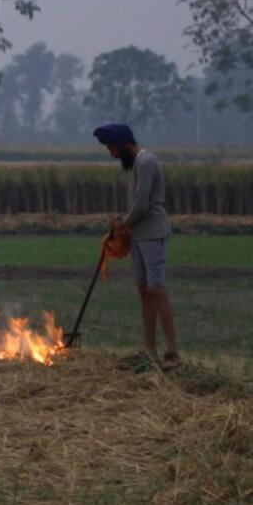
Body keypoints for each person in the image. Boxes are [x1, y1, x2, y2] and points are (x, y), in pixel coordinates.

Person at [93, 123, 180, 370]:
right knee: (144, 291)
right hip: (138, 235)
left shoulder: (146, 162)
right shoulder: (134, 165)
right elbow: (135, 206)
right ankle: (149, 350)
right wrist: (124, 224)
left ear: (123, 144)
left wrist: (123, 223)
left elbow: (142, 205)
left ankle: (172, 353)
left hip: (152, 233)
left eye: (112, 148)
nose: (112, 154)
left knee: (156, 290)